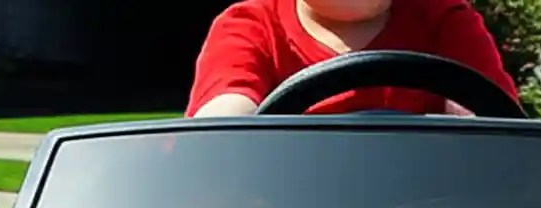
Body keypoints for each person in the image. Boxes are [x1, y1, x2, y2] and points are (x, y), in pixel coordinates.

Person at [186, 0, 520, 118]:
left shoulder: (445, 20)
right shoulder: (250, 26)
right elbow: (220, 126)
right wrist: (232, 113)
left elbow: (492, 126)